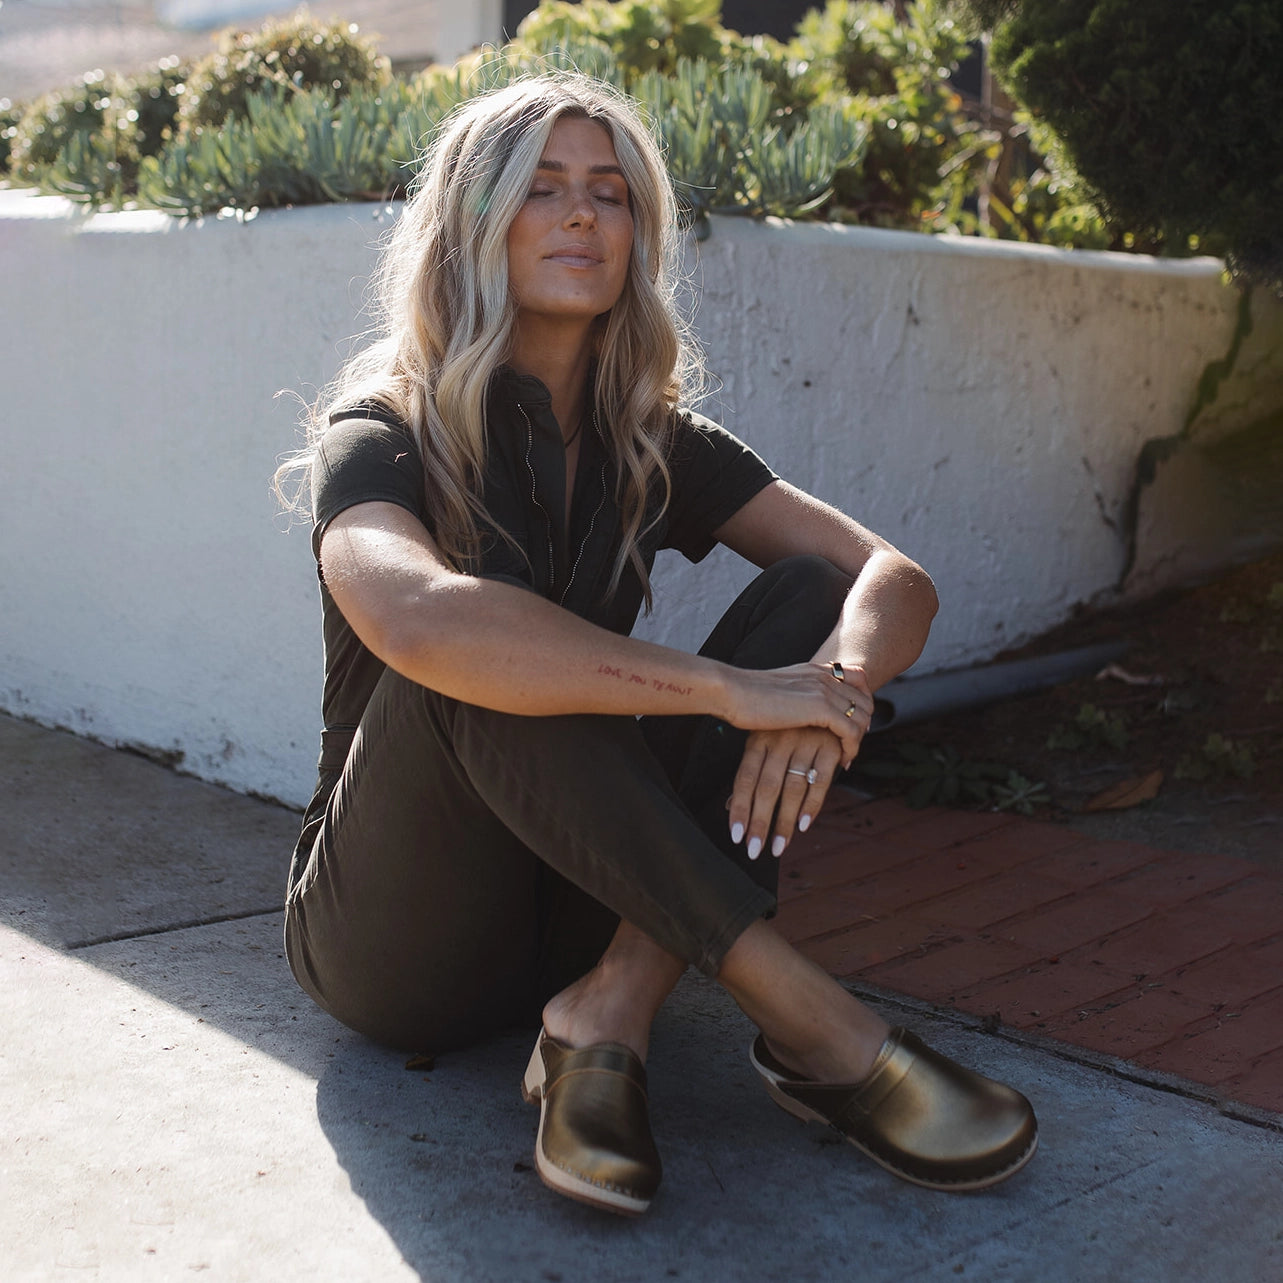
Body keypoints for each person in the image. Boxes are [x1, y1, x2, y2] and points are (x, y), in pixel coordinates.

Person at [280, 72, 1037, 1216]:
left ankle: (610, 1008)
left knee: (809, 594)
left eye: (610, 192)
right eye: (541, 188)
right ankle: (812, 1023)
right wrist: (730, 693)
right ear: (471, 224)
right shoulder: (382, 431)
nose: (583, 213)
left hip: (586, 887)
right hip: (397, 938)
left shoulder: (651, 441)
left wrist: (829, 687)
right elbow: (417, 617)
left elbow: (891, 578)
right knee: (475, 650)